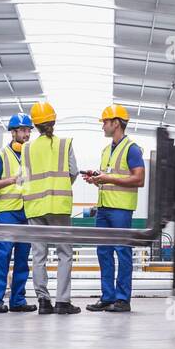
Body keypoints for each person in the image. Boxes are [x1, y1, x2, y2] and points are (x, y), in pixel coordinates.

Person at [82, 104, 144, 313]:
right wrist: (96, 178)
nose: (103, 126)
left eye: (105, 122)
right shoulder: (106, 150)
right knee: (104, 253)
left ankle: (122, 299)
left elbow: (139, 179)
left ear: (116, 123)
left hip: (121, 209)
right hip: (104, 208)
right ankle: (107, 297)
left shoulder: (132, 149)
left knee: (122, 252)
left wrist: (107, 177)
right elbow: (109, 176)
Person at [22, 101, 81, 315]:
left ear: (35, 125)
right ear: (53, 121)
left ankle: (43, 302)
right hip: (59, 206)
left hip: (35, 207)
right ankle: (63, 302)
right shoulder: (65, 144)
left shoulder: (27, 148)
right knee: (64, 253)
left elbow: (24, 178)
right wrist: (61, 186)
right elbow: (74, 172)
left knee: (39, 255)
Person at [0, 113, 36, 314]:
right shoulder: (0, 155)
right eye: (22, 130)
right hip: (7, 212)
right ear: (13, 132)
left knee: (23, 258)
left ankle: (18, 301)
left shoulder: (32, 156)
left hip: (28, 211)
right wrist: (12, 180)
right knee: (2, 256)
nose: (26, 134)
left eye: (28, 130)